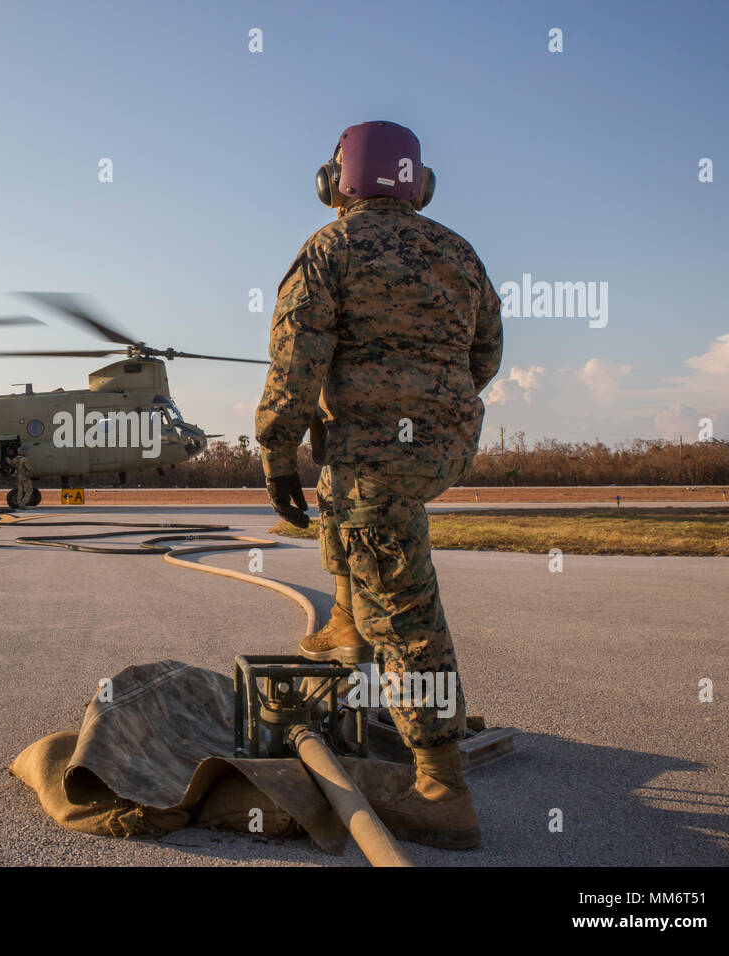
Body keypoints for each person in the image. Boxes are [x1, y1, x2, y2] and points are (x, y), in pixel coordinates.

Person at [255, 121, 503, 850]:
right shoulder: (459, 252)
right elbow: (484, 352)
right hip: (446, 445)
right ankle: (345, 626)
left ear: (335, 184)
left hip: (376, 457)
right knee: (350, 504)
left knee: (403, 602)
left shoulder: (329, 248)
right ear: (418, 186)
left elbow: (296, 363)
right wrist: (434, 410)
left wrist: (275, 450)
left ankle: (441, 786)